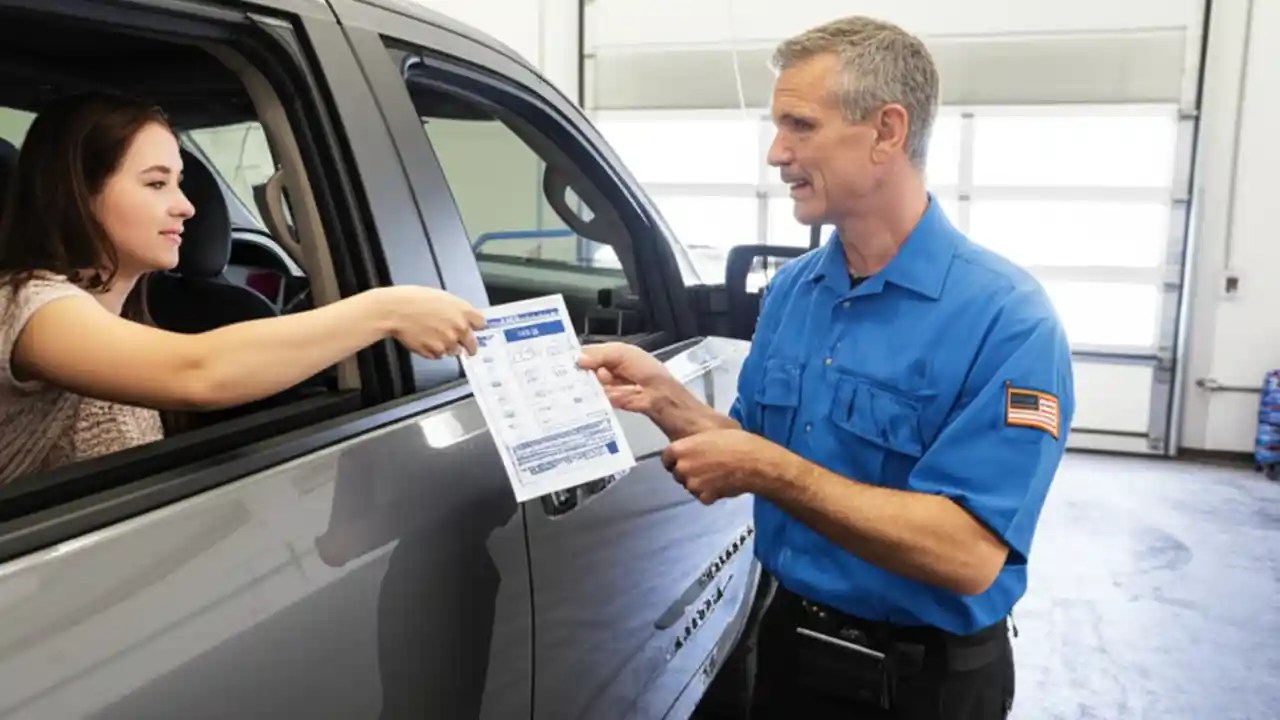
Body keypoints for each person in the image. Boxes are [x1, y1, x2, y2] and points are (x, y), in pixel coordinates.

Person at [578, 15, 1074, 720]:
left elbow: (967, 554)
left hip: (919, 685)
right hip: (788, 646)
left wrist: (767, 470)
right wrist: (664, 399)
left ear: (886, 131)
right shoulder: (793, 292)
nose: (776, 154)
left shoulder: (1007, 319)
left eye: (800, 126)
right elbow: (753, 447)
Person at [0, 92, 484, 483]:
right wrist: (386, 310)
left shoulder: (133, 311)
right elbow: (198, 372)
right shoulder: (28, 307)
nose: (187, 206)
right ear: (79, 194)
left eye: (180, 183)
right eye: (155, 184)